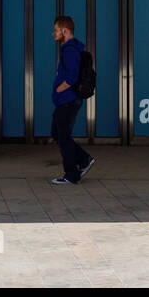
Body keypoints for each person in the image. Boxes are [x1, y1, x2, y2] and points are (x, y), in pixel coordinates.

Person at [50, 15, 94, 185]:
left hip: (68, 100)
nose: (54, 33)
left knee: (63, 137)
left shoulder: (69, 49)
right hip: (66, 100)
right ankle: (83, 160)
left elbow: (72, 75)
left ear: (65, 31)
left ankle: (72, 175)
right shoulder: (72, 48)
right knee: (58, 134)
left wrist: (60, 87)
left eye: (56, 30)